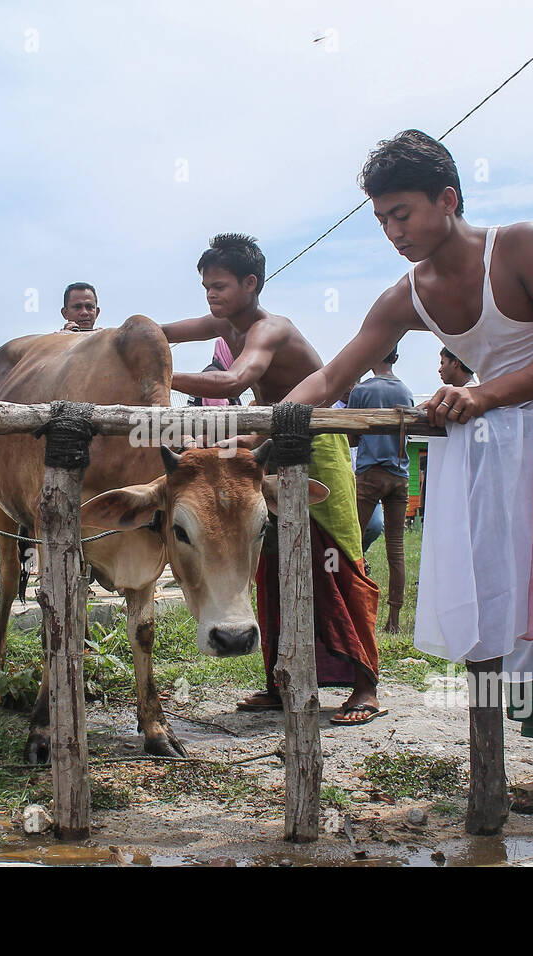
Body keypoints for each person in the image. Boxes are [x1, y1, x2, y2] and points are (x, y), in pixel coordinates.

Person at [282, 129, 533, 811]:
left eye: (403, 213)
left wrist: (482, 393)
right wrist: (267, 426)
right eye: (382, 218)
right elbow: (331, 374)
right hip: (521, 449)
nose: (392, 231)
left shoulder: (525, 245)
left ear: (447, 199)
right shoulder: (406, 298)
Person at [155, 233, 384, 726]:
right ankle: (282, 680)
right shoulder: (222, 324)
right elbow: (160, 333)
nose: (210, 295)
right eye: (205, 286)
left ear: (250, 283)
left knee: (336, 562)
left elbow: (234, 382)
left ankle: (365, 684)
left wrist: (157, 379)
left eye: (219, 285)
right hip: (270, 448)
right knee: (271, 564)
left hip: (314, 445)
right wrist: (116, 341)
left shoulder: (270, 329)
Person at [348, 349, 414, 633]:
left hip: (369, 475)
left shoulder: (362, 391)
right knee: (395, 550)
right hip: (399, 475)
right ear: (396, 359)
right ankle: (394, 621)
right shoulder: (405, 390)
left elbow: (351, 434)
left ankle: (353, 610)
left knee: (353, 543)